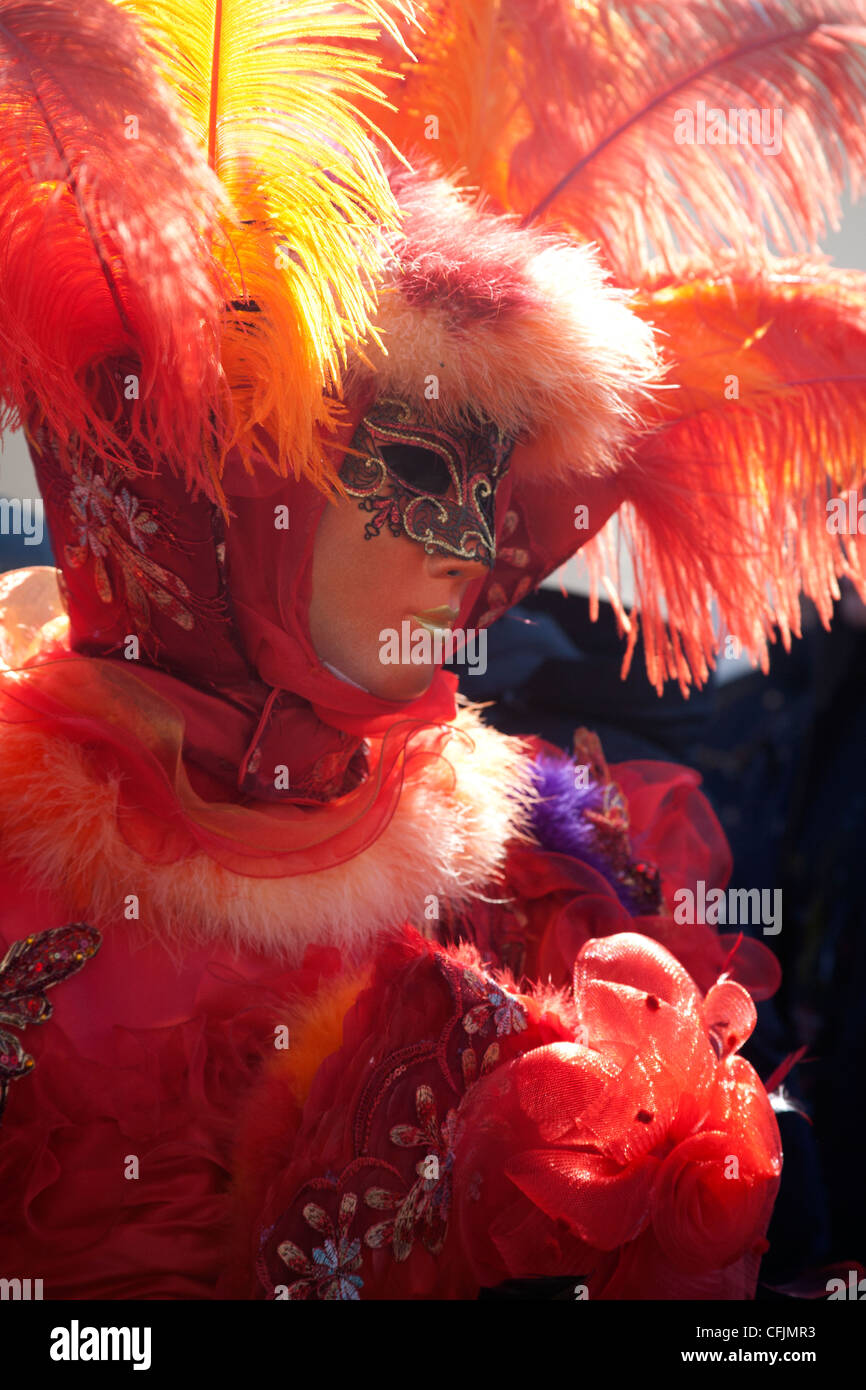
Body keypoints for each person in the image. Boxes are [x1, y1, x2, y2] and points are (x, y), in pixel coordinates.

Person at [1, 0, 864, 1301]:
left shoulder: (515, 863)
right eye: (413, 466)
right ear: (232, 483)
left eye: (487, 483)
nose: (465, 537)